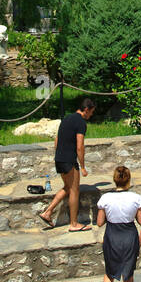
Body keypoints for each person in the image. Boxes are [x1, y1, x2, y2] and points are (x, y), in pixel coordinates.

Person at [96, 165, 141, 282]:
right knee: (128, 276)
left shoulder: (105, 199)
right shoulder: (136, 198)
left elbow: (99, 222)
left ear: (114, 179)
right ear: (128, 180)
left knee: (109, 274)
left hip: (112, 236)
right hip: (129, 236)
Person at [39, 98, 94, 231]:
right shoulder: (81, 122)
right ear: (86, 110)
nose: (91, 115)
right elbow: (80, 146)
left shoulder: (67, 119)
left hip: (59, 158)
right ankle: (74, 224)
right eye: (91, 112)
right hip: (69, 160)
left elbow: (57, 139)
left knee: (67, 187)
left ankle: (47, 212)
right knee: (75, 190)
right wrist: (82, 167)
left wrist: (59, 155)